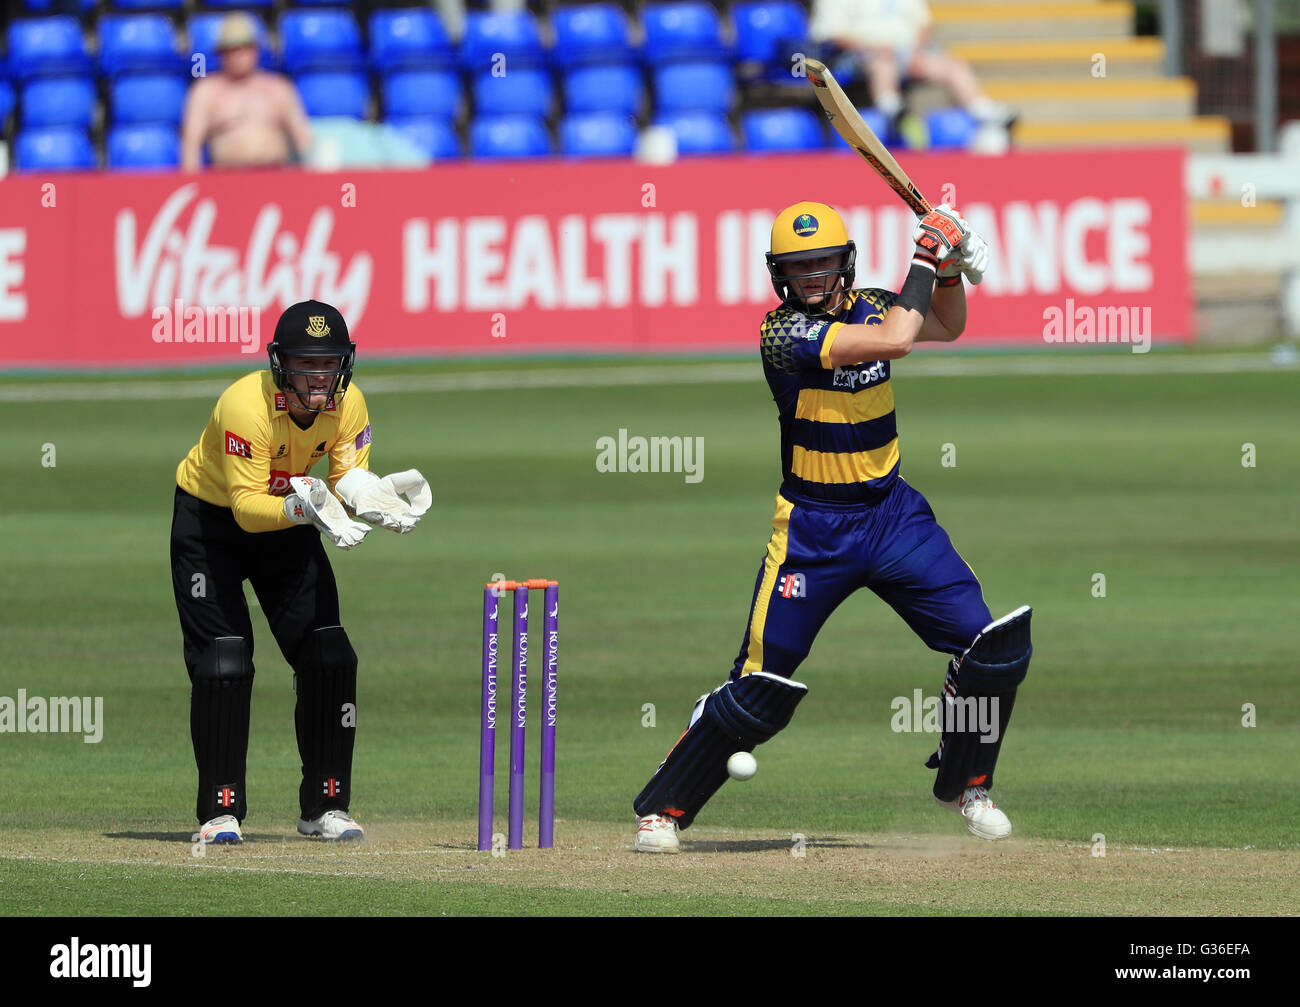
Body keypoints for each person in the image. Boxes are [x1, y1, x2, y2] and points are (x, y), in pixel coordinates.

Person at [633, 202, 1032, 853]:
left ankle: (969, 784)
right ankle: (665, 808)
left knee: (992, 647)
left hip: (894, 517)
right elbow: (898, 339)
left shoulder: (877, 302)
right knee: (756, 688)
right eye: (797, 267)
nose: (812, 276)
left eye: (821, 262)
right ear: (779, 275)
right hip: (813, 533)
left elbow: (943, 326)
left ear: (844, 261)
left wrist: (951, 271)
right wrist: (928, 256)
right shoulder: (781, 333)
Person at [171, 300, 431, 844]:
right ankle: (220, 813)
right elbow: (245, 508)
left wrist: (375, 498)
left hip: (287, 515)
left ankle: (326, 806)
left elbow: (347, 475)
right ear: (279, 365)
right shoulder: (246, 407)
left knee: (329, 654)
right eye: (305, 365)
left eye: (329, 364)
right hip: (210, 524)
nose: (319, 378)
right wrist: (307, 509)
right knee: (224, 661)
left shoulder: (349, 403)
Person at [809, 0, 1013, 148]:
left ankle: (986, 115)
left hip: (907, 52)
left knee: (952, 67)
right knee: (883, 64)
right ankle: (891, 111)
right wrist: (872, 48)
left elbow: (924, 26)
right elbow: (830, 34)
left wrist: (915, 51)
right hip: (856, 57)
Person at [181, 12, 313, 171]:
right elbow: (191, 145)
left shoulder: (278, 88)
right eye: (230, 50)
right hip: (227, 182)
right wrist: (194, 185)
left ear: (255, 50)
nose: (237, 56)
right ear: (221, 54)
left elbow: (303, 140)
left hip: (276, 178)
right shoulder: (206, 91)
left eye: (242, 49)